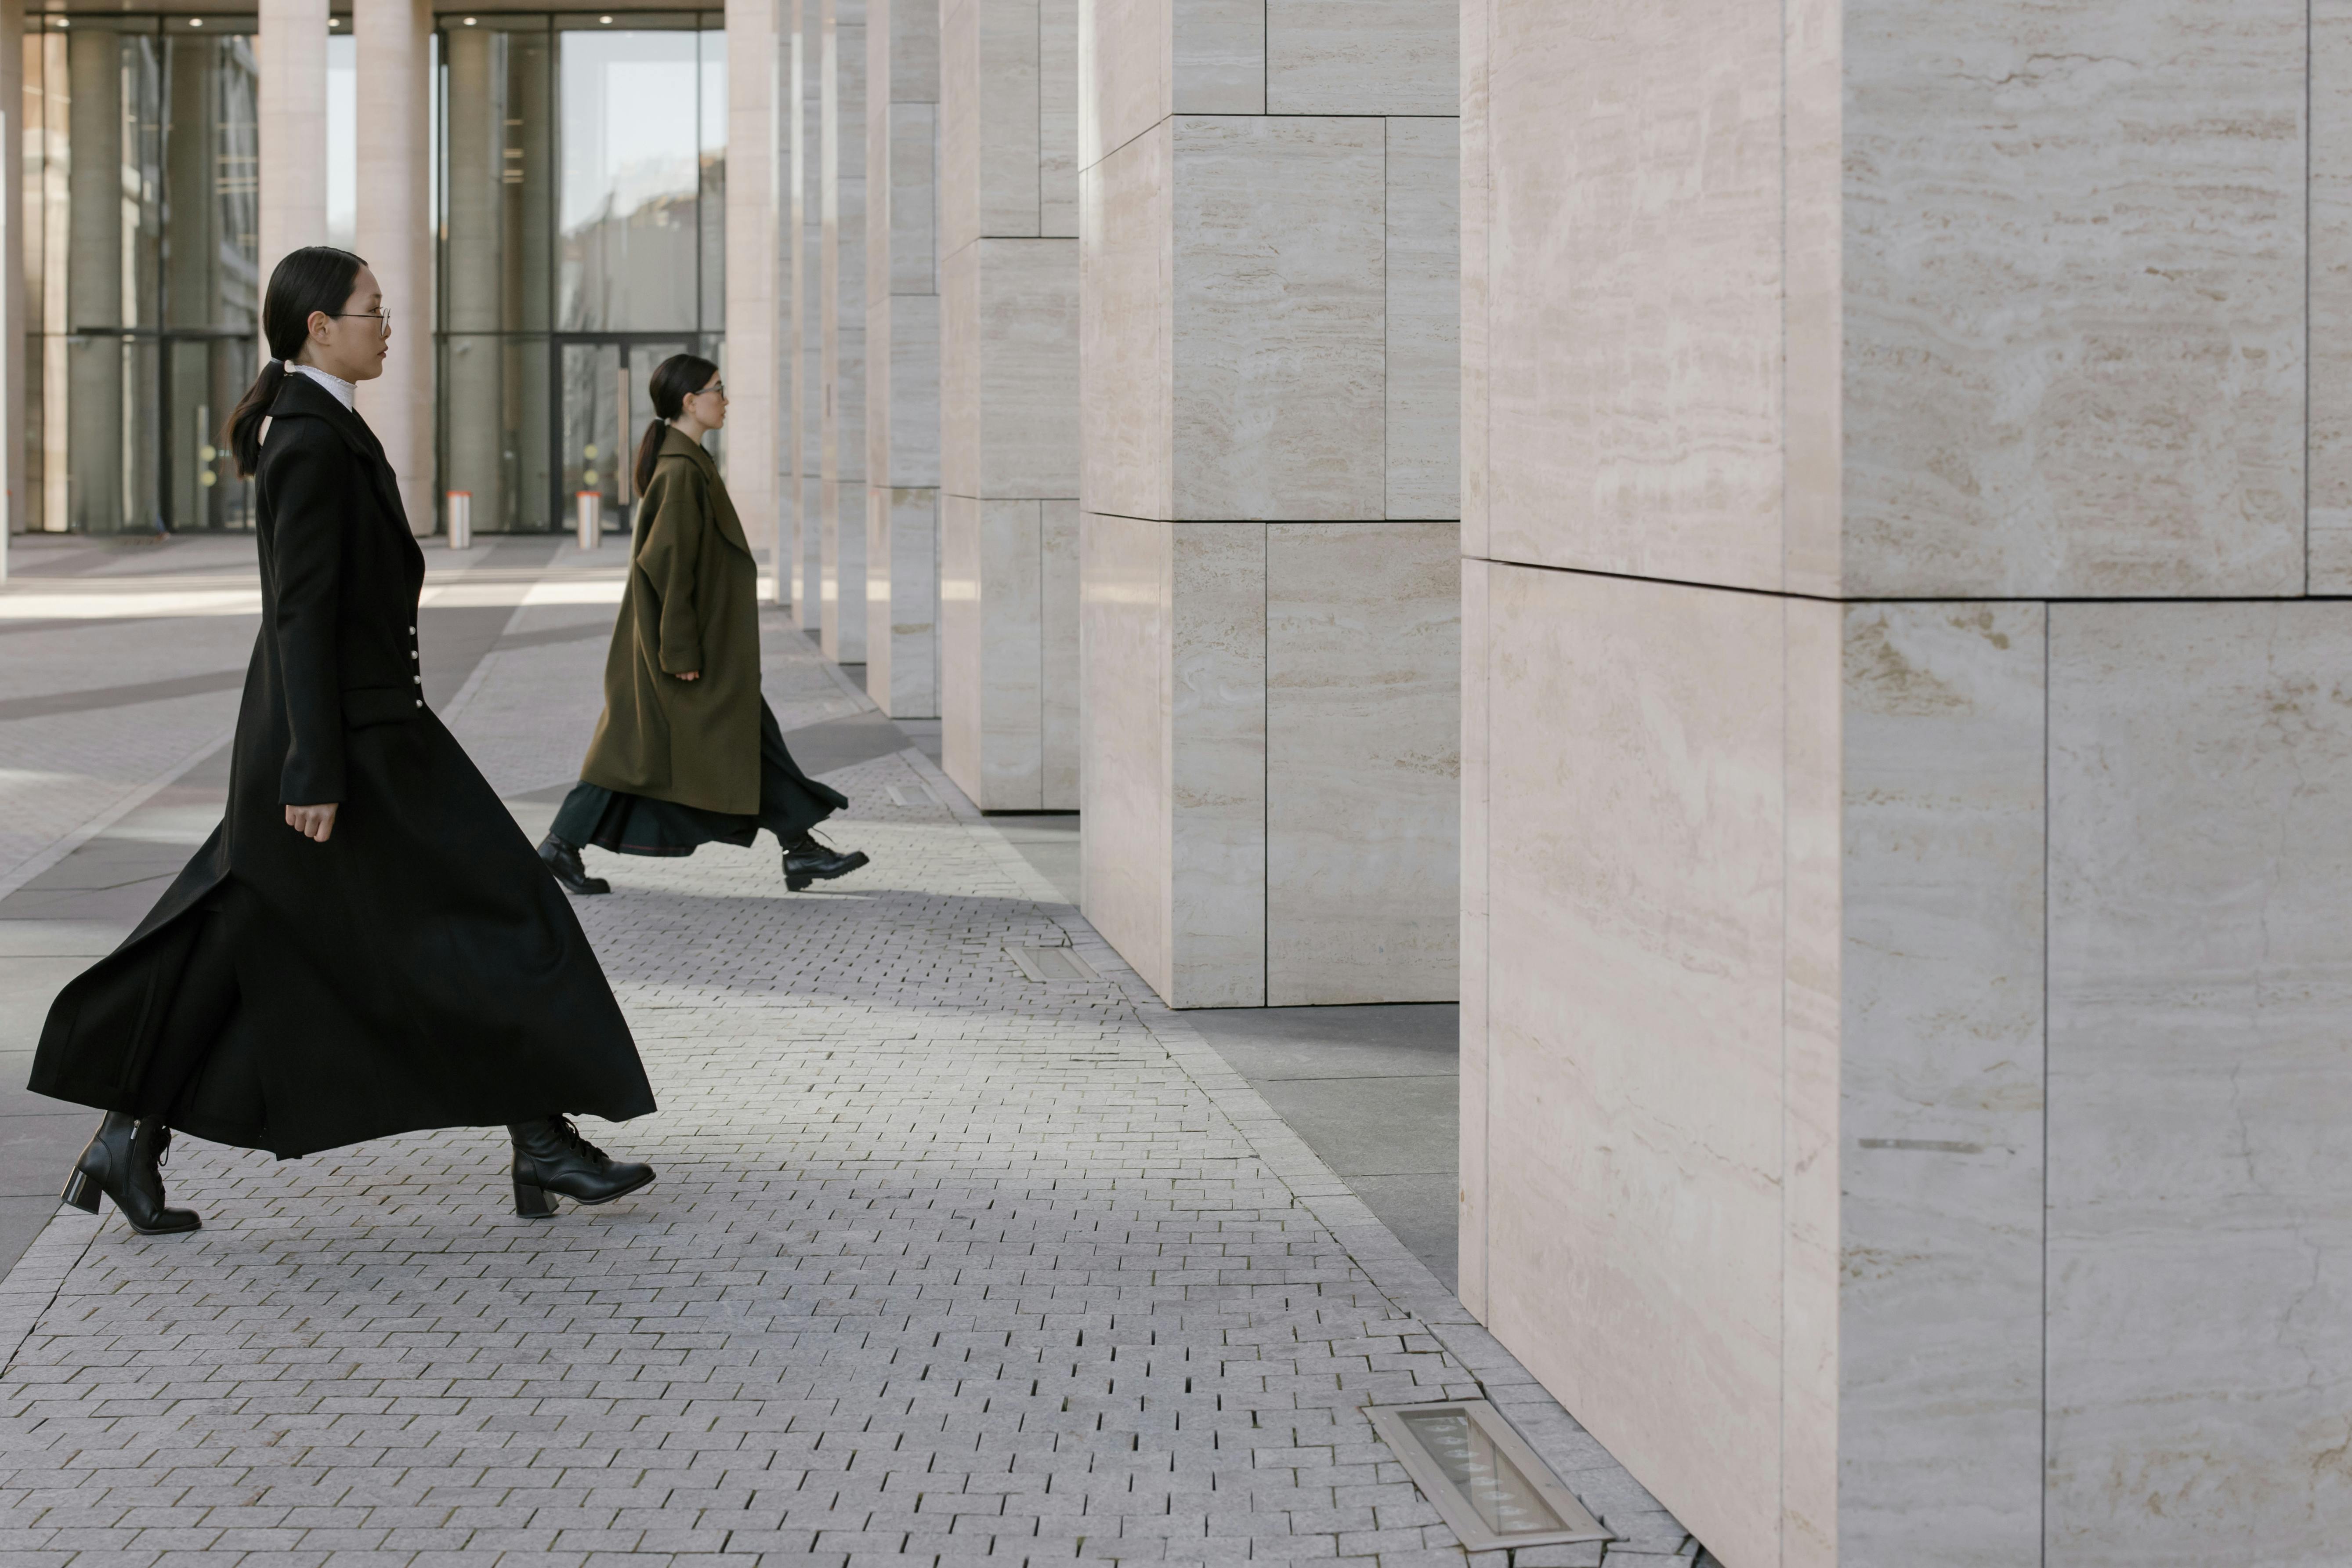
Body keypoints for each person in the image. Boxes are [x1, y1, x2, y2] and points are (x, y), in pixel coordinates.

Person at [30, 246, 658, 1233]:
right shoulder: (310, 440)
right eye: (372, 309)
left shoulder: (325, 426)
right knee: (489, 911)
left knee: (248, 936)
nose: (387, 323)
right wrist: (313, 767)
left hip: (364, 732)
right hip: (342, 746)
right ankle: (540, 1141)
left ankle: (128, 1139)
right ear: (319, 326)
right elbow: (300, 613)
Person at [537, 354, 871, 897]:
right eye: (718, 389)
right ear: (690, 402)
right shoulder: (680, 470)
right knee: (634, 753)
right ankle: (560, 843)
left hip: (702, 647)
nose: (726, 398)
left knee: (730, 741)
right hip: (684, 652)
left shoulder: (688, 463)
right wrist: (681, 652)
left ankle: (800, 849)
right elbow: (667, 566)